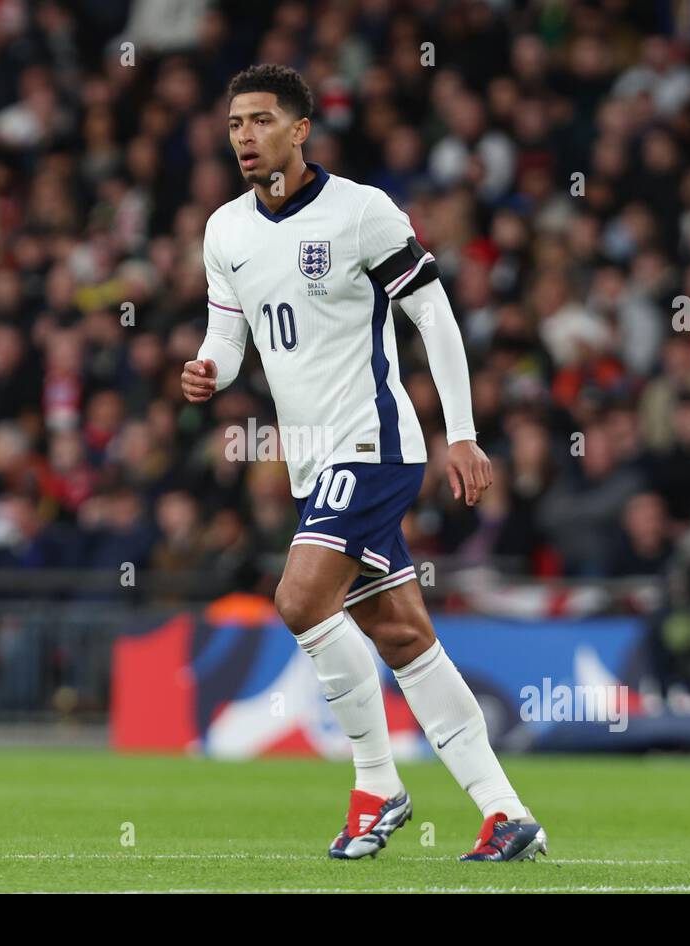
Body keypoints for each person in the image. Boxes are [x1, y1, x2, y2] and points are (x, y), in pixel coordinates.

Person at [181, 65, 545, 863]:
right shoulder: (225, 231)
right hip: (315, 463)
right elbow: (232, 339)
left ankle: (377, 783)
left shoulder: (362, 212)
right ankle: (505, 810)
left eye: (262, 120)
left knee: (299, 597)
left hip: (374, 443)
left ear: (301, 128)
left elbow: (434, 314)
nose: (245, 136)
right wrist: (209, 368)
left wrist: (463, 431)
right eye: (236, 122)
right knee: (401, 632)